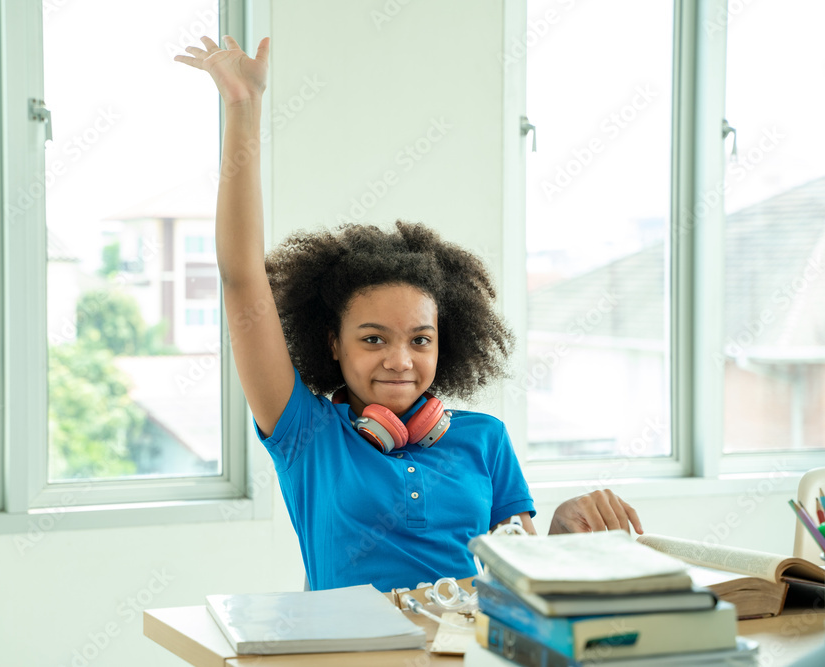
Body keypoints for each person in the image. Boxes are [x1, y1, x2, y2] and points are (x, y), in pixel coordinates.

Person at [174, 35, 643, 592]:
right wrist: (242, 108)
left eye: (420, 339)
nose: (401, 360)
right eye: (373, 339)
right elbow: (242, 277)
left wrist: (564, 536)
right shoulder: (307, 434)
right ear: (333, 343)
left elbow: (522, 585)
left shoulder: (485, 439)